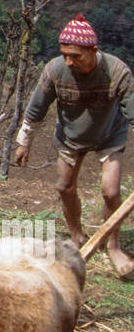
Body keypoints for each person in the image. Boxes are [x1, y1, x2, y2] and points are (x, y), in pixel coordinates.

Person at [14, 14, 134, 279]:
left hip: (109, 135)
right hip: (71, 136)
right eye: (65, 54)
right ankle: (77, 235)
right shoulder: (55, 70)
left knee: (111, 191)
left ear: (93, 50)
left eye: (76, 56)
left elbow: (132, 110)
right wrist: (24, 141)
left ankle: (112, 245)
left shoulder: (117, 71)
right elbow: (36, 107)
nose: (69, 61)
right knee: (64, 187)